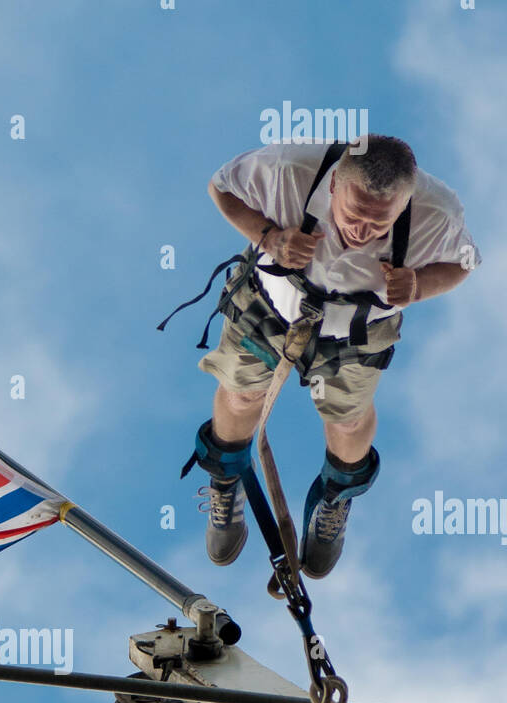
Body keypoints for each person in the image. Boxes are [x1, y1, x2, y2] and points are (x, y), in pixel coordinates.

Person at [182, 135, 479, 577]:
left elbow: (464, 263)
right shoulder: (289, 167)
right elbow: (221, 188)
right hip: (269, 304)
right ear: (335, 184)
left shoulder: (439, 211)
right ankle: (227, 479)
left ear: (404, 204)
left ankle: (334, 500)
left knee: (349, 420)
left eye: (379, 223)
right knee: (241, 394)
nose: (361, 232)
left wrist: (419, 286)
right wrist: (269, 236)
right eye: (354, 215)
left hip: (358, 332)